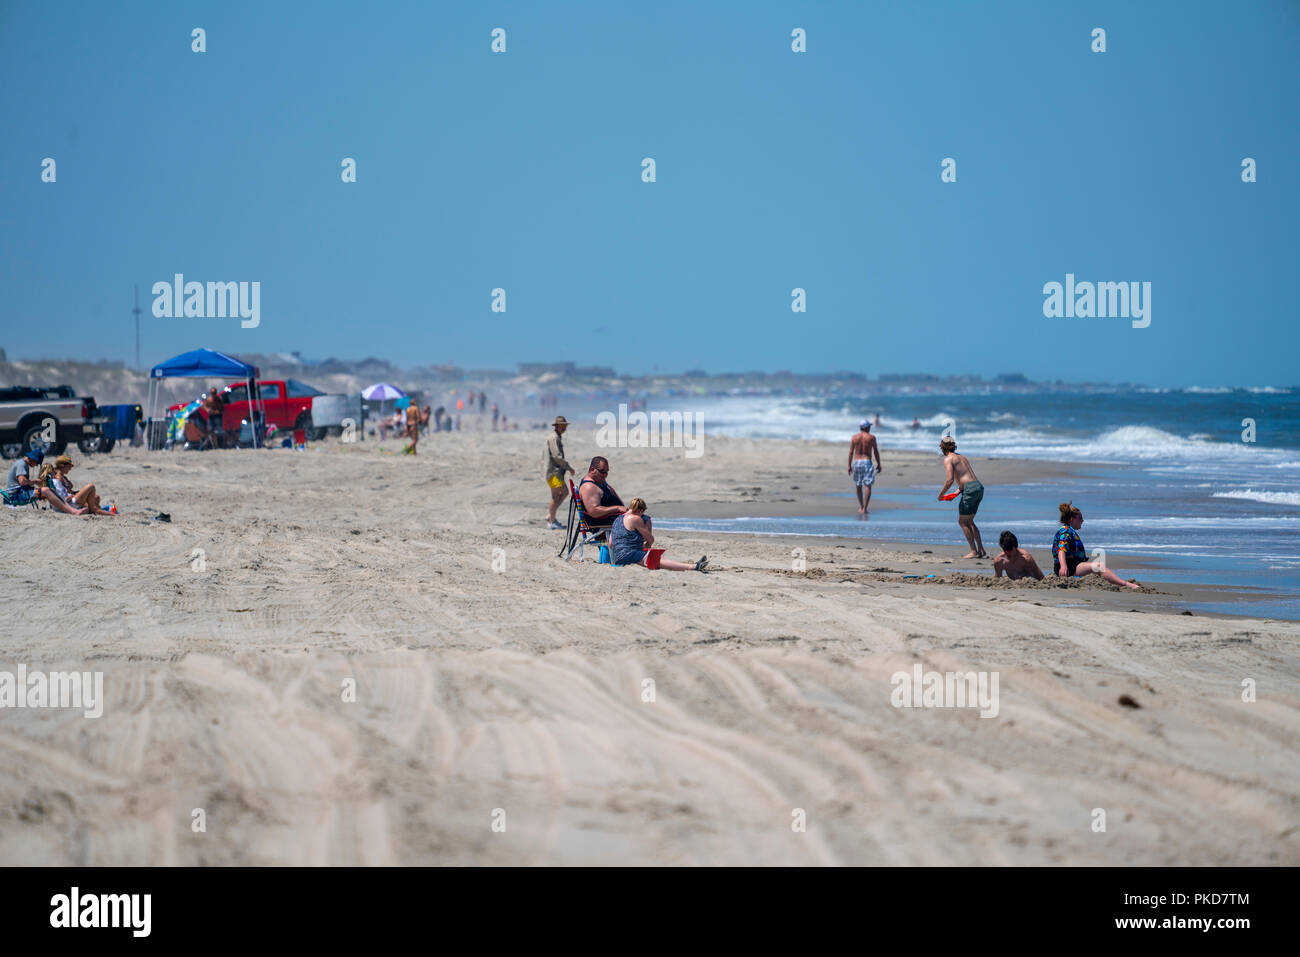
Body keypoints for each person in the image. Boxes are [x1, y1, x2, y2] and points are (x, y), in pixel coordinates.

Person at [1053, 502, 1140, 589]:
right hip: (1068, 568)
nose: (1082, 520)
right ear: (1071, 519)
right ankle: (1127, 585)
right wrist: (1063, 566)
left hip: (1072, 566)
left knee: (1097, 570)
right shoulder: (1065, 531)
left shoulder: (1069, 531)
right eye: (1080, 518)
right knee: (1099, 567)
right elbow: (1061, 549)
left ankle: (1117, 583)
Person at [610, 498, 708, 571]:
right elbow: (651, 539)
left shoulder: (617, 519)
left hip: (617, 557)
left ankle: (693, 566)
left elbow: (610, 543)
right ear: (640, 510)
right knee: (657, 560)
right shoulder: (635, 518)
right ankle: (693, 567)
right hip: (628, 553)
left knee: (651, 560)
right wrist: (644, 543)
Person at [937, 437, 986, 558]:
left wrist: (941, 495)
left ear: (942, 447)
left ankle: (973, 551)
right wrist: (959, 490)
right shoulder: (962, 457)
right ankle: (981, 550)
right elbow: (965, 476)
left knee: (963, 522)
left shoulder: (948, 459)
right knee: (970, 521)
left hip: (969, 489)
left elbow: (950, 480)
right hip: (978, 487)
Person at [3, 449, 86, 514]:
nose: (36, 465)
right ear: (33, 459)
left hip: (18, 493)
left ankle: (65, 508)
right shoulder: (22, 464)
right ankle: (72, 511)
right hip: (15, 496)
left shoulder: (22, 463)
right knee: (46, 490)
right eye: (37, 463)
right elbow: (22, 482)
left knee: (46, 490)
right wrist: (35, 481)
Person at [42, 454, 113, 515]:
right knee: (91, 486)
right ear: (62, 465)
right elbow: (62, 497)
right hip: (69, 503)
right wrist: (73, 495)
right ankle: (95, 511)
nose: (70, 469)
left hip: (71, 499)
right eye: (69, 466)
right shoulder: (58, 477)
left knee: (96, 497)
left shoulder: (62, 476)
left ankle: (97, 510)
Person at [577, 456, 627, 540]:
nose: (605, 475)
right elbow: (594, 511)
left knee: (644, 520)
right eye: (602, 472)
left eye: (607, 472)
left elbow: (612, 492)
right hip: (604, 523)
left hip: (614, 518)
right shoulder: (589, 487)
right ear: (592, 469)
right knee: (640, 522)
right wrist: (617, 508)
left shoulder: (599, 480)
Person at [847, 420, 883, 515]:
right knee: (867, 485)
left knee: (858, 485)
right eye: (869, 426)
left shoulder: (854, 437)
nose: (870, 428)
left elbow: (851, 452)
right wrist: (879, 463)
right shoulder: (871, 437)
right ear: (866, 427)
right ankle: (865, 509)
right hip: (867, 461)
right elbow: (875, 451)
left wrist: (849, 466)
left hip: (856, 461)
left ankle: (861, 506)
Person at [544, 416, 574, 528]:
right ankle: (551, 521)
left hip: (554, 472)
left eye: (565, 425)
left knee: (559, 494)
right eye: (563, 425)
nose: (564, 428)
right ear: (557, 426)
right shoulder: (554, 438)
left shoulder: (556, 437)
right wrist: (568, 467)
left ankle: (551, 516)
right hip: (553, 472)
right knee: (560, 494)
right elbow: (557, 456)